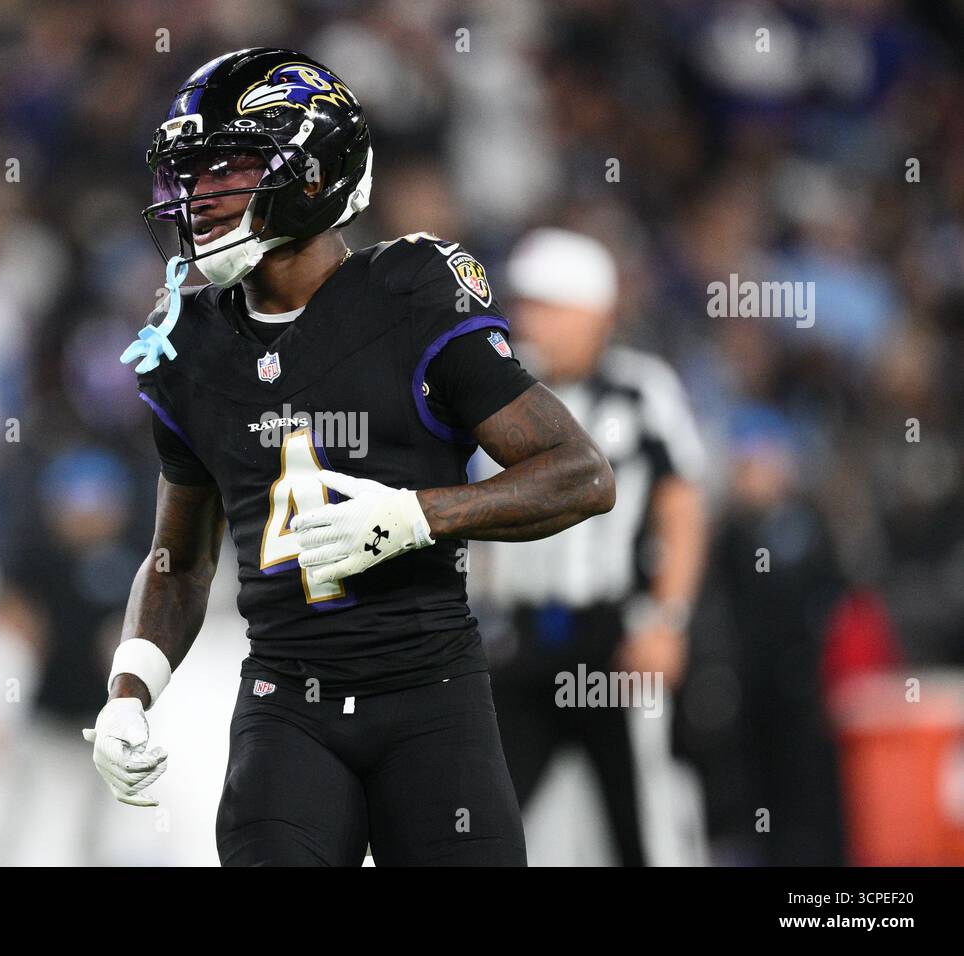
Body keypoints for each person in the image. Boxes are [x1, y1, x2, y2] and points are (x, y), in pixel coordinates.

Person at [85, 48, 615, 866]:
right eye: (193, 174)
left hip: (432, 697)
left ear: (314, 174)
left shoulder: (411, 292)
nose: (200, 196)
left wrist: (414, 516)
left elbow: (580, 474)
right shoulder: (185, 343)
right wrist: (129, 689)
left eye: (230, 169)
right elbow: (180, 559)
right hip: (286, 706)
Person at [472, 228, 708, 866]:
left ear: (596, 312)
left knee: (646, 824)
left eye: (549, 305)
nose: (530, 320)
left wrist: (668, 620)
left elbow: (681, 506)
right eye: (525, 303)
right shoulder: (496, 395)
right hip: (517, 642)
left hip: (613, 637)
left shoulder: (639, 389)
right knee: (481, 823)